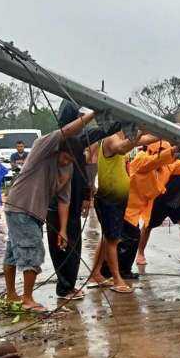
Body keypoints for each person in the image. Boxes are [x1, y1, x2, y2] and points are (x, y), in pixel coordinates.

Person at [3, 110, 96, 311]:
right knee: (33, 250)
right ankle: (27, 300)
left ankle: (12, 295)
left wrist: (62, 230)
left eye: (71, 160)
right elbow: (66, 131)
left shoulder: (67, 168)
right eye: (65, 157)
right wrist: (92, 114)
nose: (66, 162)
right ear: (58, 149)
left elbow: (64, 200)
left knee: (13, 250)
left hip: (34, 212)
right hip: (21, 206)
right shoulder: (42, 148)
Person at [46, 101, 119, 302]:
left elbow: (102, 134)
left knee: (73, 242)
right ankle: (65, 287)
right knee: (63, 243)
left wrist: (87, 195)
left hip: (74, 199)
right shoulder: (58, 139)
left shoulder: (80, 137)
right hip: (59, 201)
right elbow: (101, 131)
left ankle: (69, 285)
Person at [87, 128, 158, 293]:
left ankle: (96, 274)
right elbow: (123, 147)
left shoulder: (121, 139)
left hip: (116, 199)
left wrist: (164, 134)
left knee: (108, 238)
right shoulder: (111, 139)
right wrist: (140, 133)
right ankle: (117, 279)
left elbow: (142, 140)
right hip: (109, 198)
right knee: (113, 240)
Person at [121, 139, 180, 272]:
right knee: (143, 228)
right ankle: (138, 255)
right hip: (155, 201)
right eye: (160, 152)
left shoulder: (170, 165)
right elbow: (154, 161)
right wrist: (173, 151)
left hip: (174, 201)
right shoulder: (142, 159)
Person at [136, 150, 180, 266]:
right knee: (148, 225)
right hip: (161, 198)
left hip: (175, 201)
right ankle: (140, 253)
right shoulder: (177, 159)